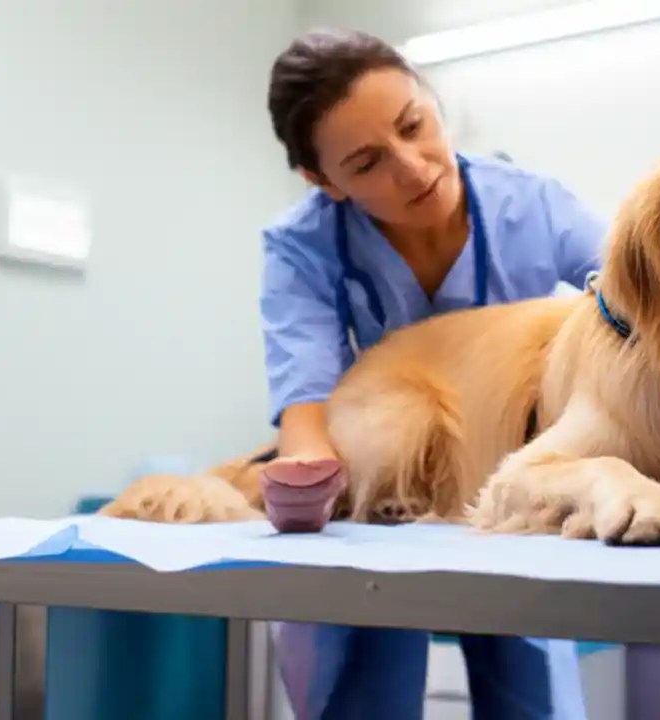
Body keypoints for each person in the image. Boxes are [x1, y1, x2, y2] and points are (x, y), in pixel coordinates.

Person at [258, 28, 604, 720]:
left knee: (528, 673)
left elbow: (642, 305)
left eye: (415, 125)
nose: (414, 168)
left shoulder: (531, 206)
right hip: (391, 484)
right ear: (324, 182)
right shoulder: (302, 247)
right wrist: (309, 481)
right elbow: (307, 409)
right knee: (360, 666)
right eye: (367, 162)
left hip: (519, 477)